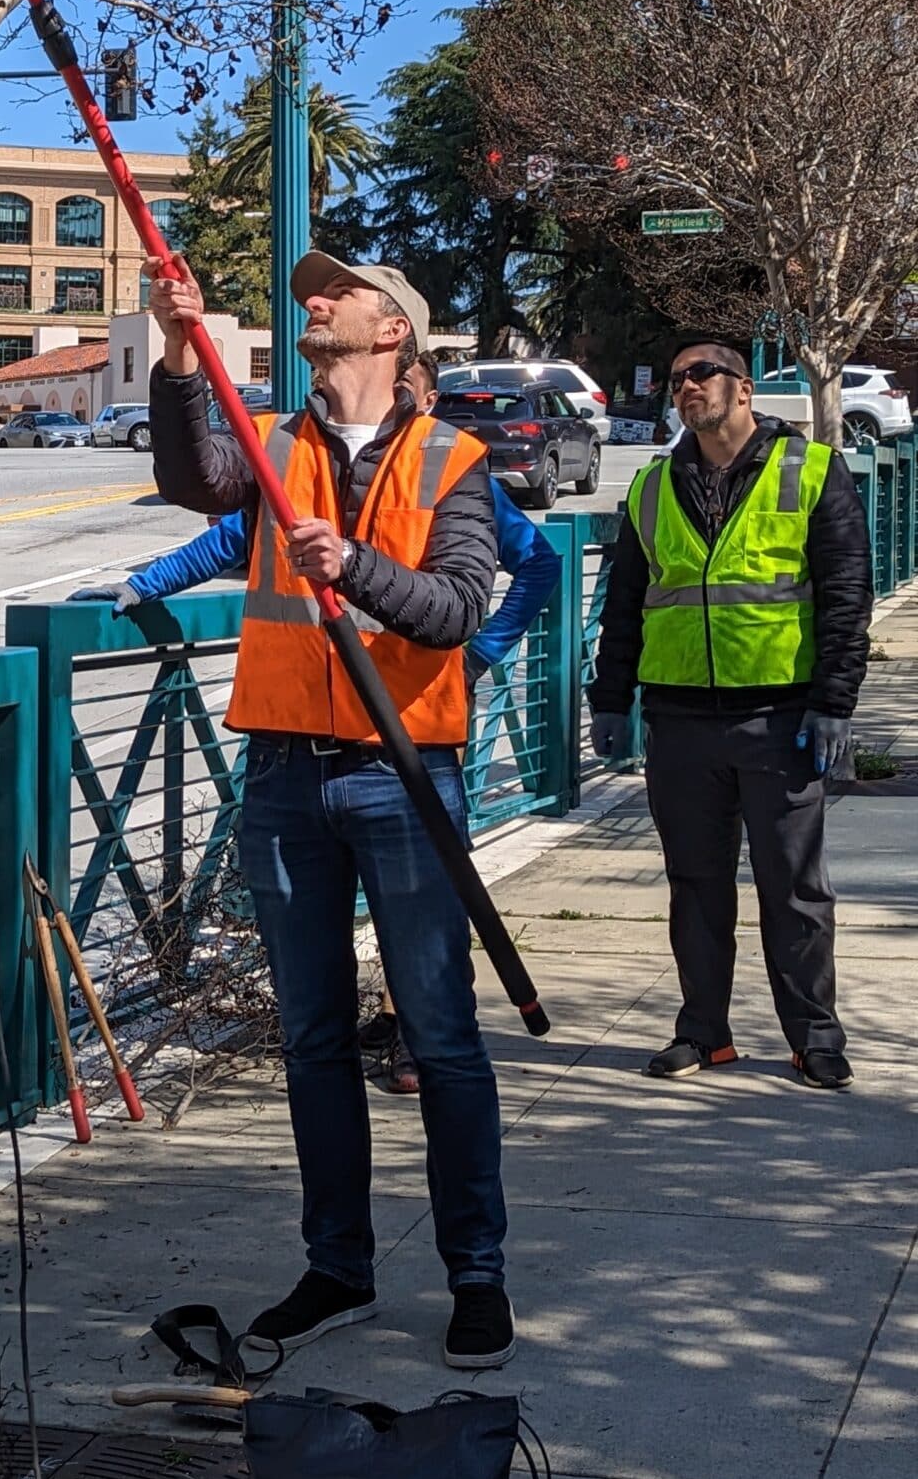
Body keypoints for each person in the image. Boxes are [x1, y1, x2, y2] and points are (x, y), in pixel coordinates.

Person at [147, 252, 513, 1368]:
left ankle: (476, 1274)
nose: (315, 299)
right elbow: (193, 478)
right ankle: (337, 1268)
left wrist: (350, 564)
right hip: (282, 774)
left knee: (440, 1034)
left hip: (403, 774)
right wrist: (179, 350)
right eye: (314, 290)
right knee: (312, 1039)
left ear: (393, 329)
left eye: (340, 291)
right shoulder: (272, 442)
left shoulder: (453, 458)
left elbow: (455, 608)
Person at [86, 349, 563, 1100]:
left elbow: (526, 569)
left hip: (406, 743)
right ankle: (391, 1041)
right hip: (294, 754)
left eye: (417, 394)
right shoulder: (289, 451)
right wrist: (144, 584)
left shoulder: (449, 465)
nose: (407, 405)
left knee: (427, 963)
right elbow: (229, 536)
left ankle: (410, 1033)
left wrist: (481, 656)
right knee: (317, 1021)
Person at [588, 342, 872, 1088]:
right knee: (695, 886)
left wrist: (834, 703)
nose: (686, 386)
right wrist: (610, 699)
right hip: (679, 720)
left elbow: (847, 596)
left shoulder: (811, 470)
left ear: (743, 389)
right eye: (677, 378)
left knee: (794, 888)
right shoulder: (652, 486)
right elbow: (625, 604)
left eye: (701, 374)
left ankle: (815, 1037)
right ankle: (703, 1034)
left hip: (782, 717)